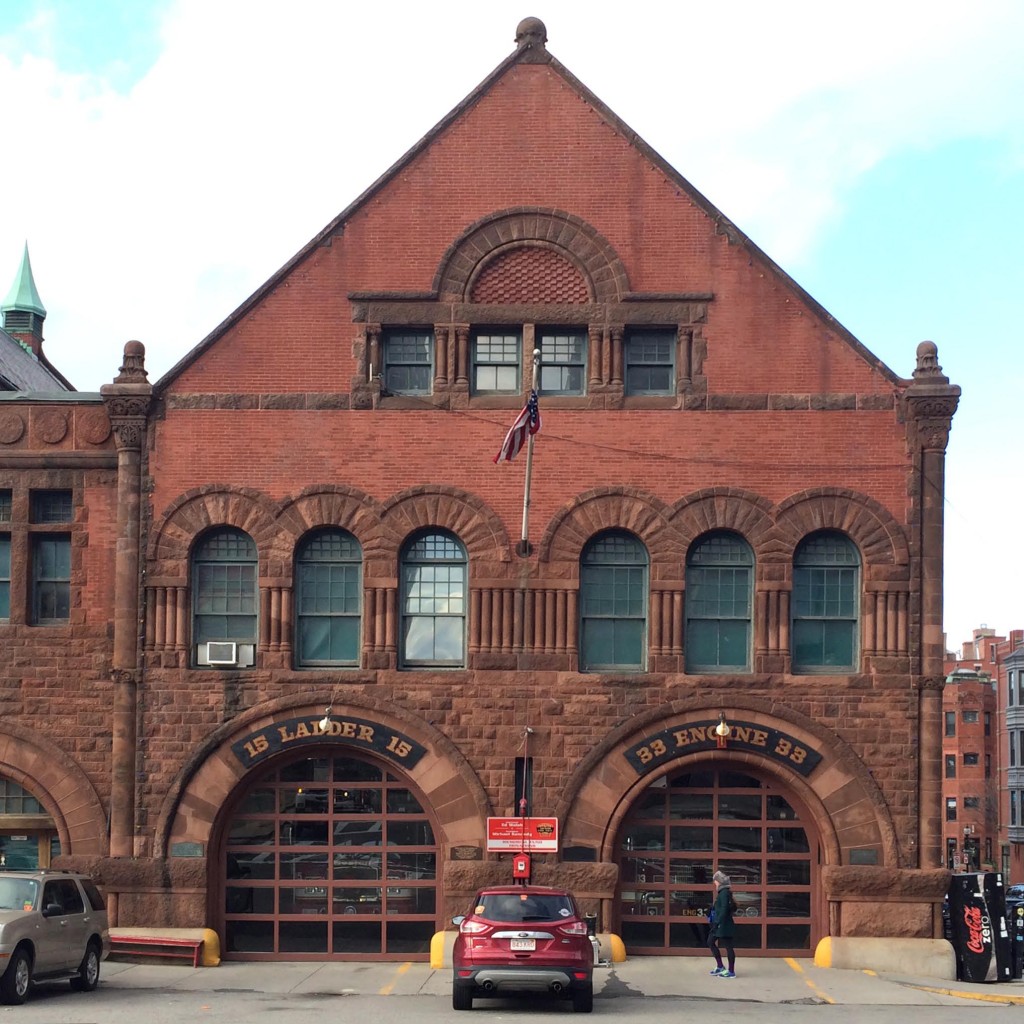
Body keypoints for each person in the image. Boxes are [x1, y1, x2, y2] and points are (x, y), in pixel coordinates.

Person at [707, 869, 737, 978]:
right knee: (710, 942)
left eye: (715, 881)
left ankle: (731, 971)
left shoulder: (724, 893)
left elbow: (724, 908)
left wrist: (717, 922)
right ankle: (720, 966)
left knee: (728, 947)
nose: (714, 883)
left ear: (719, 881)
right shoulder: (722, 893)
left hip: (724, 924)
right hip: (719, 924)